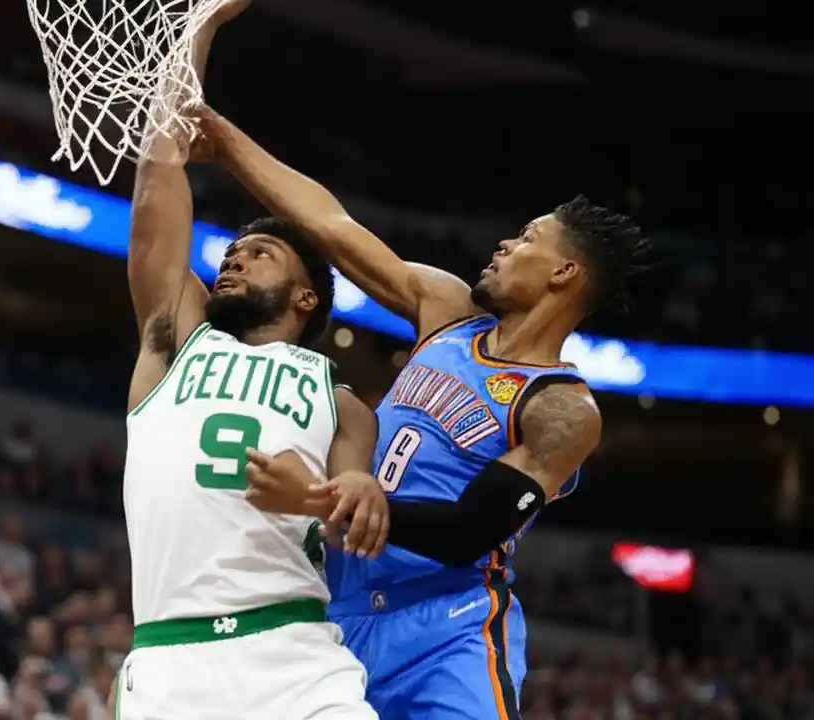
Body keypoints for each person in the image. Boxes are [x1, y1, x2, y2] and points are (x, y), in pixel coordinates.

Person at [193, 106, 649, 718]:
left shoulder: (561, 407)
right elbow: (329, 224)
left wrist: (324, 500)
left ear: (564, 273)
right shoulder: (448, 312)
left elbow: (469, 532)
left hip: (449, 629)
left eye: (526, 239)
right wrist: (225, 144)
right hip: (339, 610)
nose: (505, 245)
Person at [114, 2, 385, 719]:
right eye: (230, 253)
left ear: (305, 297)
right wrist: (198, 26)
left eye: (258, 254)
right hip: (171, 658)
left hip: (293, 651)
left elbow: (352, 507)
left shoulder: (342, 402)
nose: (233, 260)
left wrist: (345, 494)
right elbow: (158, 182)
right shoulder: (178, 342)